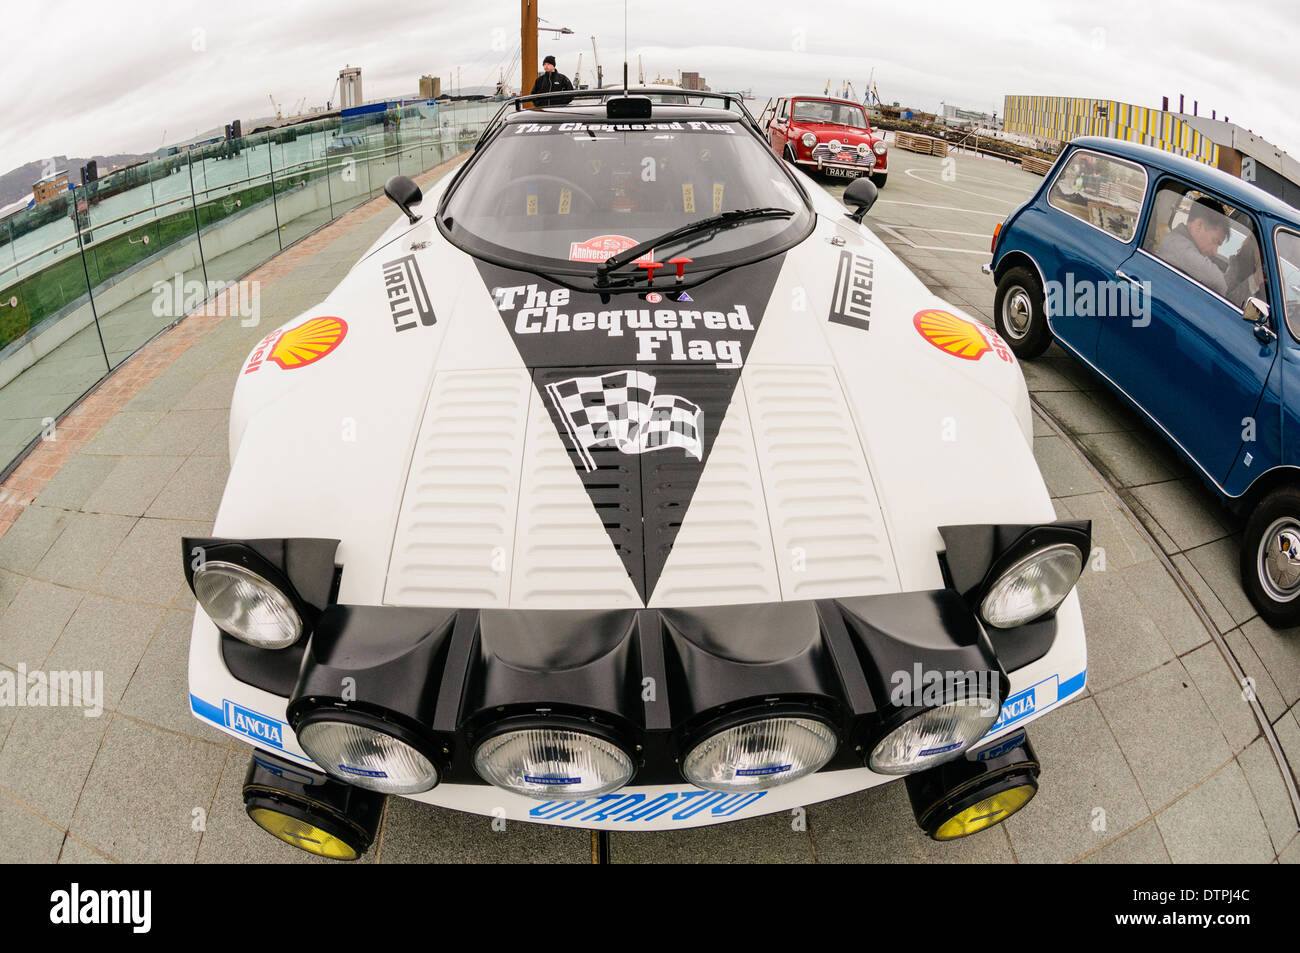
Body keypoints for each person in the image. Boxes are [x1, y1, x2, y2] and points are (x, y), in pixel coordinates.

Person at [1155, 196, 1231, 297]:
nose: (1215, 252)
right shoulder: (1178, 246)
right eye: (1215, 241)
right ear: (1198, 225)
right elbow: (1219, 283)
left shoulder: (1180, 241)